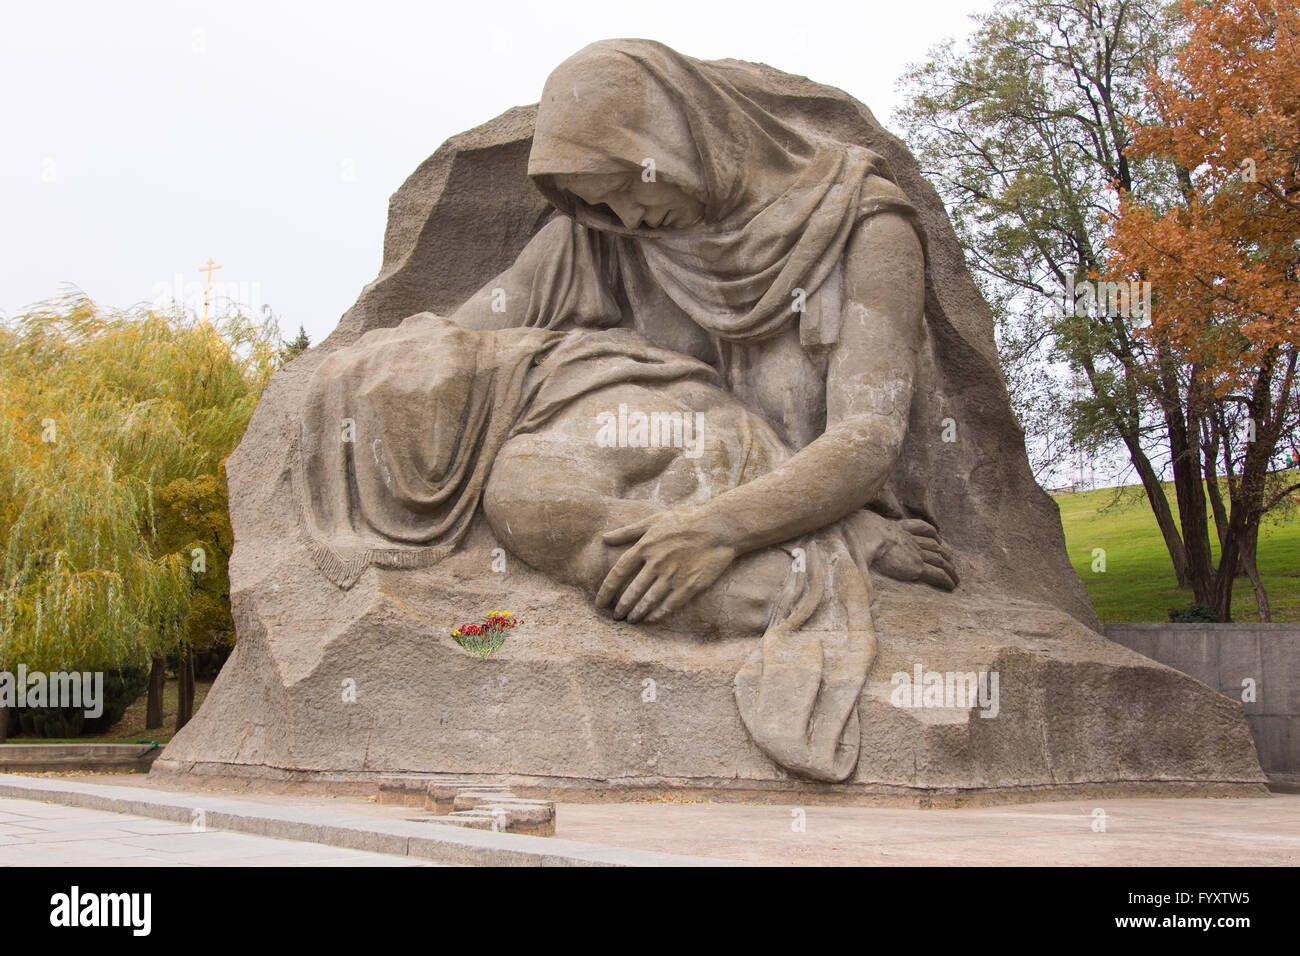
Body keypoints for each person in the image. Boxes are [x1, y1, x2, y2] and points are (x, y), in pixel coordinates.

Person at [443, 39, 956, 623]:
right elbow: (457, 339)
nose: (629, 217)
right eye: (602, 205)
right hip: (648, 468)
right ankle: (783, 568)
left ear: (677, 134)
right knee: (524, 497)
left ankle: (813, 561)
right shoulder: (601, 239)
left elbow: (869, 433)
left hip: (780, 489)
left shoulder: (865, 227)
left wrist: (716, 531)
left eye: (631, 184)